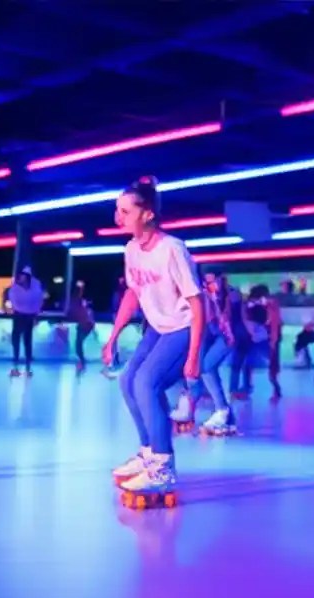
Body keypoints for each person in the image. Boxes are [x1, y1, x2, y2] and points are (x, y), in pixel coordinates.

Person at [103, 177, 203, 495]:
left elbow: (197, 304)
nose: (118, 217)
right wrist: (113, 336)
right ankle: (148, 451)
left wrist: (193, 356)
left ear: (147, 214)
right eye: (117, 210)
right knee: (126, 380)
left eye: (125, 211)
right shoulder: (132, 249)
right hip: (157, 328)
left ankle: (163, 466)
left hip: (183, 327)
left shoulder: (172, 249)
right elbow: (134, 294)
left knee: (146, 381)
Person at [170, 271, 237, 435]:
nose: (210, 285)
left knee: (207, 367)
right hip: (209, 332)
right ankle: (216, 411)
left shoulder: (231, 296)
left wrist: (216, 299)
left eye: (213, 281)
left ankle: (222, 409)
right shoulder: (202, 296)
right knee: (199, 369)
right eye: (206, 282)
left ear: (222, 280)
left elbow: (227, 319)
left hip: (229, 335)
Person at [6, 266, 44, 377]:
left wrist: (35, 313)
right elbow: (12, 299)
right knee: (16, 341)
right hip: (19, 315)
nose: (20, 278)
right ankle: (16, 367)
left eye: (22, 276)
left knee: (27, 341)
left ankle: (27, 368)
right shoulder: (15, 288)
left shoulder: (35, 288)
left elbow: (39, 301)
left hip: (28, 316)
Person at [68, 280, 97, 372]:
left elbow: (88, 313)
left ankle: (82, 361)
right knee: (78, 344)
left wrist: (92, 326)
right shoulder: (77, 300)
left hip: (86, 324)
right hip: (83, 324)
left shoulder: (83, 301)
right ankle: (82, 361)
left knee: (78, 344)